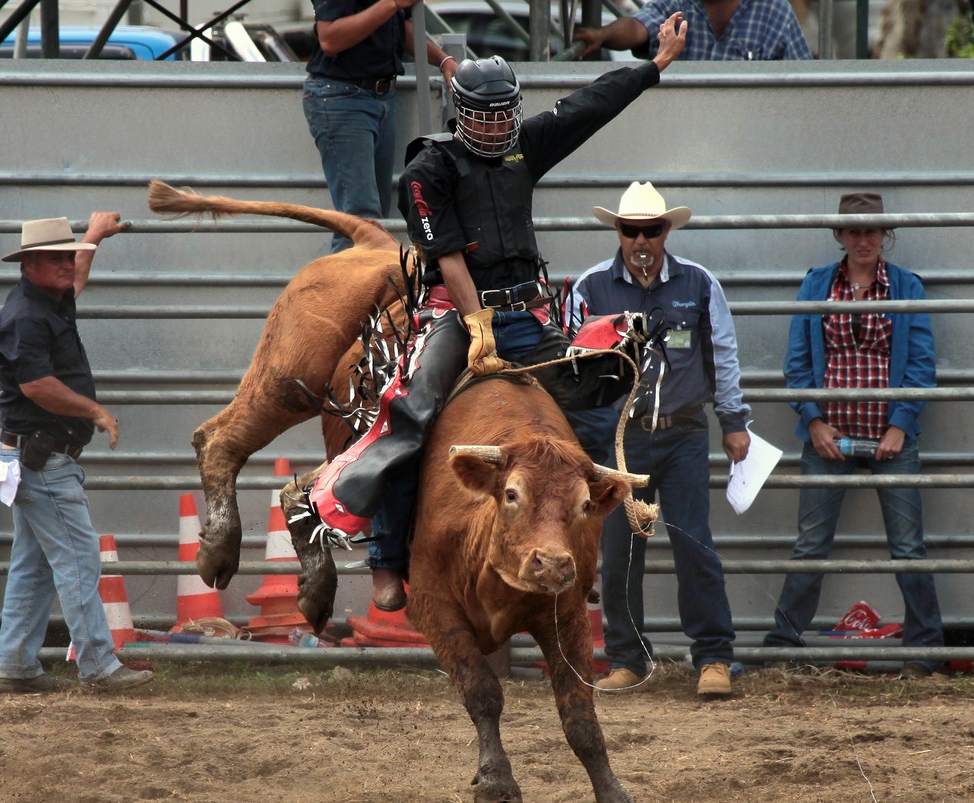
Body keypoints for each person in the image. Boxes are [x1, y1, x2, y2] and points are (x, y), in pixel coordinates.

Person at [287, 18, 688, 613]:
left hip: (527, 313)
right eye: (486, 115)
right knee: (412, 417)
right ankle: (387, 560)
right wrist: (477, 326)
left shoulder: (524, 146)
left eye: (506, 114)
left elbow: (587, 106)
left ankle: (574, 549)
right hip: (455, 314)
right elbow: (446, 257)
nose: (499, 125)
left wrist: (653, 67)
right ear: (460, 112)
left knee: (594, 405)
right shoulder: (428, 170)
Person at [563, 182, 750, 697]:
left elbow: (724, 353)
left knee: (695, 543)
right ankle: (626, 657)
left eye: (651, 230)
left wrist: (734, 422)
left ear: (666, 231)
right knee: (621, 550)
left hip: (684, 431)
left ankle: (713, 657)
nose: (641, 240)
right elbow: (573, 370)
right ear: (619, 232)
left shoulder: (699, 283)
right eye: (631, 230)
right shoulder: (589, 289)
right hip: (618, 440)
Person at [762, 192, 944, 679]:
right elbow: (796, 363)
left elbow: (922, 365)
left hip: (892, 440)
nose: (864, 239)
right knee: (810, 544)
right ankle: (783, 647)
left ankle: (925, 653)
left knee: (908, 546)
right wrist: (814, 421)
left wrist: (900, 425)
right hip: (828, 439)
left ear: (885, 235)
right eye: (855, 230)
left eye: (873, 230)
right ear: (839, 235)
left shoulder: (906, 286)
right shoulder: (817, 285)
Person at [0, 214, 155, 694]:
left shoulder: (49, 300)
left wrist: (93, 238)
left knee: (34, 563)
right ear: (30, 264)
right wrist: (95, 411)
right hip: (43, 459)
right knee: (80, 559)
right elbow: (36, 385)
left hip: (32, 457)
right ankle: (99, 666)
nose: (68, 265)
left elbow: (76, 277)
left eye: (68, 255)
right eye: (56, 258)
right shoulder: (25, 317)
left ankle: (16, 665)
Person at [302, 0, 459, 252]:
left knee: (367, 222)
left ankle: (358, 289)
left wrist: (442, 60)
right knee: (361, 222)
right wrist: (392, 3)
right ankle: (344, 291)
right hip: (342, 95)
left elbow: (401, 27)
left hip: (376, 95)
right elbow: (330, 39)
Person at [574, 0, 812, 61]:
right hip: (683, 134)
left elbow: (801, 87)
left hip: (752, 137)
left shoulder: (774, 10)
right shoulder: (678, 5)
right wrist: (603, 35)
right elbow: (637, 27)